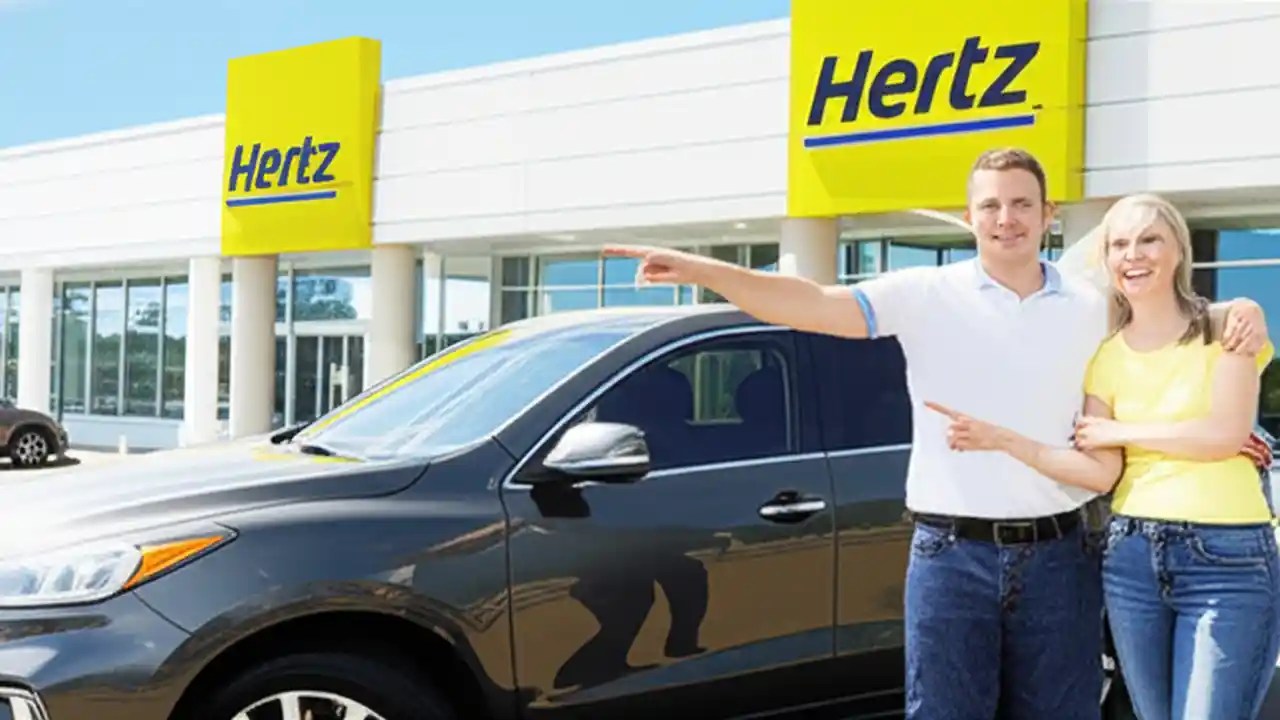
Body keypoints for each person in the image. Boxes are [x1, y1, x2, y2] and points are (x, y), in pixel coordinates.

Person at [601, 147, 1269, 720]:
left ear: (1048, 216)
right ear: (969, 216)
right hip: (952, 558)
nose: (1005, 218)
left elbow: (1165, 355)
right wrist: (708, 271)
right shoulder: (925, 291)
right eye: (989, 206)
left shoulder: (1094, 305)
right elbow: (813, 304)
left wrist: (1238, 400)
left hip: (1063, 558)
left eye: (1021, 204)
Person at [1069, 194, 1277, 720]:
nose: (1133, 254)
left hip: (1227, 556)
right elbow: (1100, 459)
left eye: (1148, 239)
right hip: (1132, 556)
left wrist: (1123, 428)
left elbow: (1224, 435)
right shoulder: (1105, 355)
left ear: (1178, 251)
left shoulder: (1226, 326)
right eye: (1119, 244)